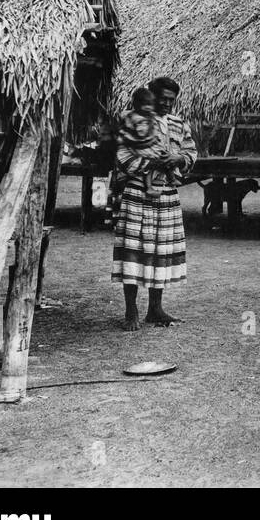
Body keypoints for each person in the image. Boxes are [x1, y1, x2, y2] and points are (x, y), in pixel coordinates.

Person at [111, 76, 197, 330]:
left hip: (167, 194)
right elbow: (121, 155)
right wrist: (152, 164)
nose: (168, 104)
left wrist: (177, 158)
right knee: (134, 250)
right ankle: (130, 310)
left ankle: (155, 309)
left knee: (161, 250)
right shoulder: (132, 119)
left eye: (172, 100)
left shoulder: (179, 124)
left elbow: (191, 153)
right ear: (152, 96)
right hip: (138, 191)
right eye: (163, 99)